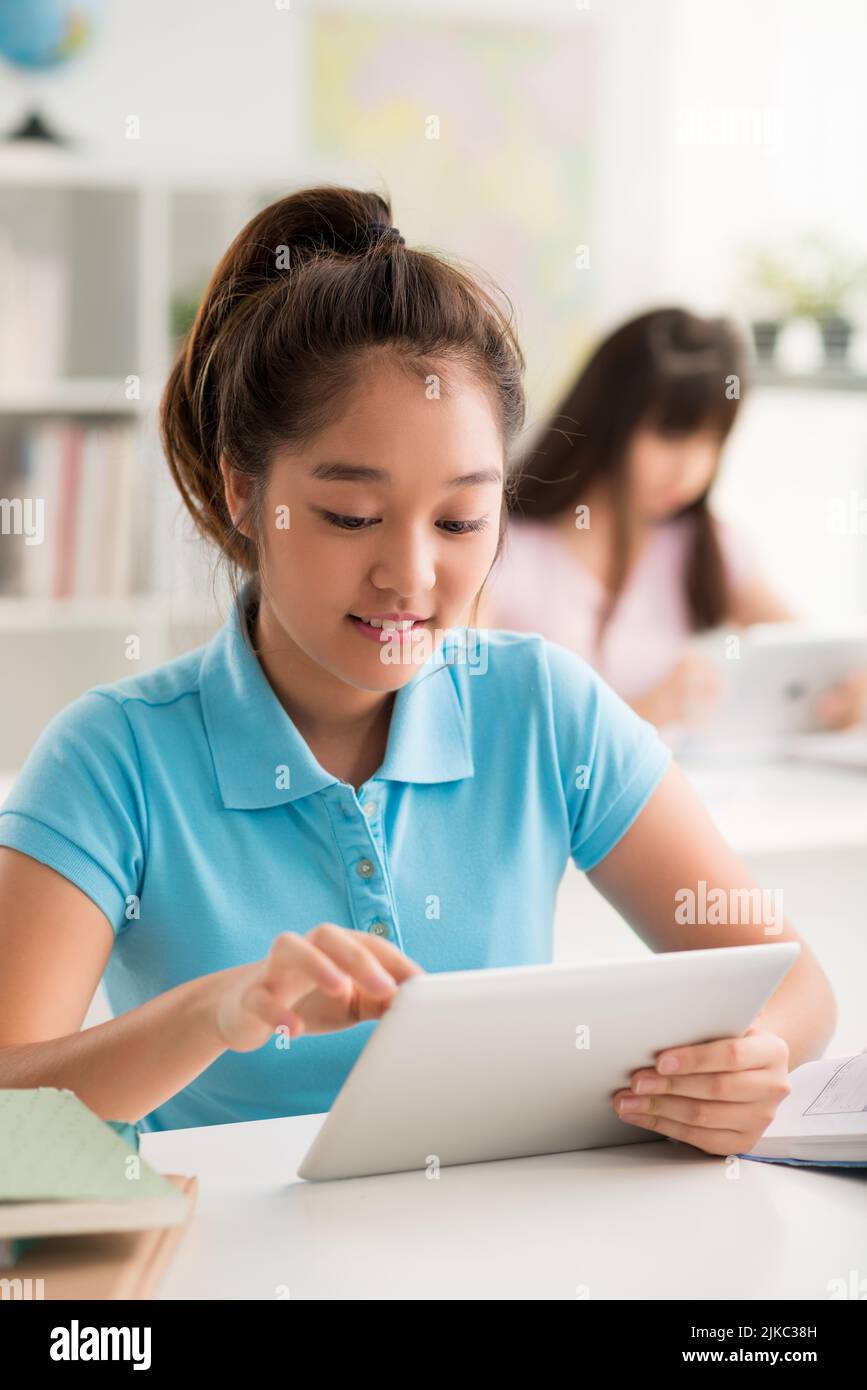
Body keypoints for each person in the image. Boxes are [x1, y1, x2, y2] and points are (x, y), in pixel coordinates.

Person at [0, 189, 835, 1156]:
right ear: (243, 490)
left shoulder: (543, 710)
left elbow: (794, 985)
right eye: (351, 516)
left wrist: (749, 1061)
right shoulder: (115, 756)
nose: (410, 576)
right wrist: (213, 1013)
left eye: (459, 521)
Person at [480, 307, 867, 731]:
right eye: (671, 434)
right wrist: (639, 714)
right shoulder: (500, 551)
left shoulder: (703, 544)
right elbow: (479, 722)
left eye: (712, 441)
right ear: (608, 421)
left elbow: (814, 657)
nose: (692, 468)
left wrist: (849, 693)